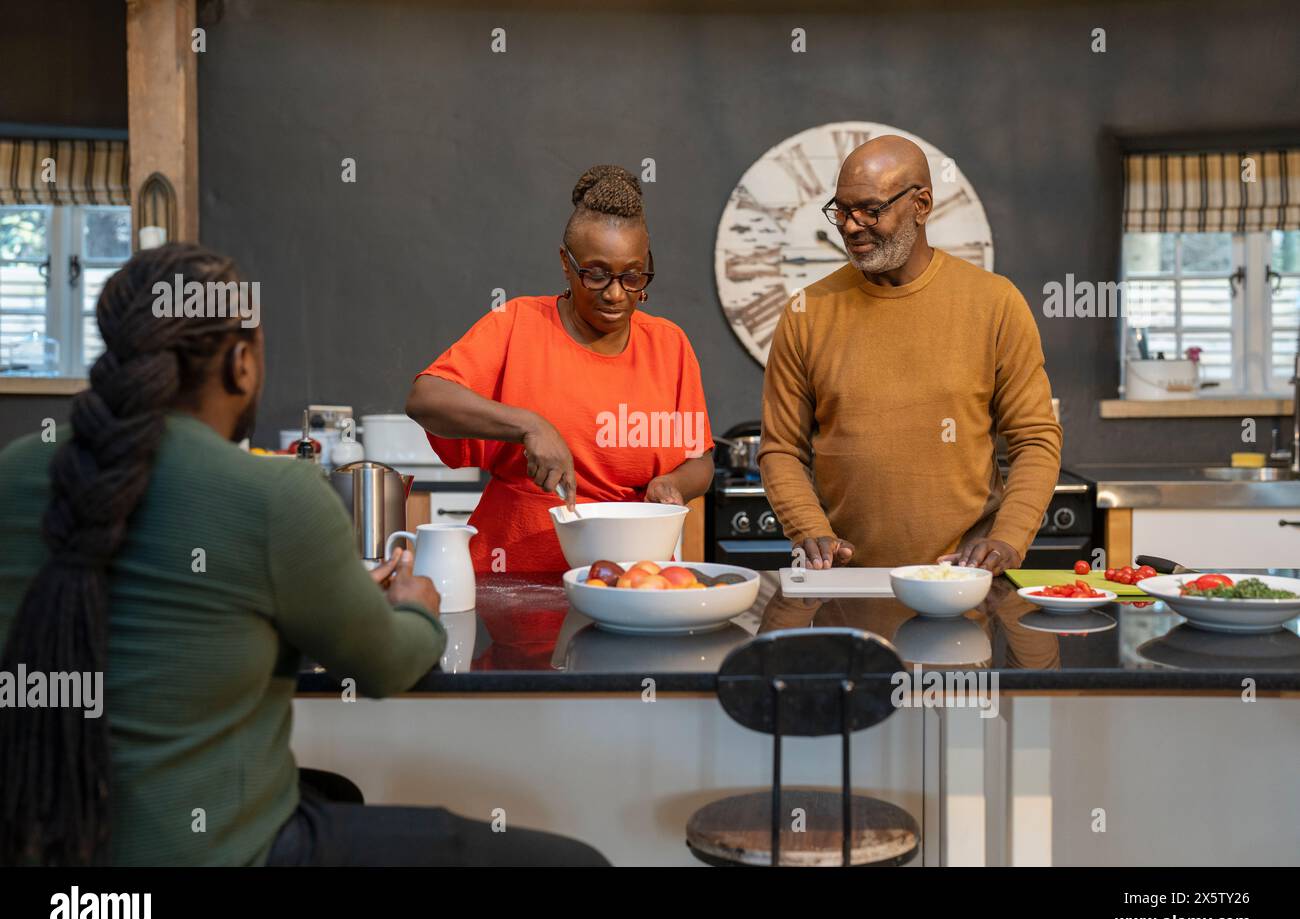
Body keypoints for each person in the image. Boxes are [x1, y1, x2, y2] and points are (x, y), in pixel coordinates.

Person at [0, 243, 607, 866]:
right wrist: (418, 606)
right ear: (241, 363)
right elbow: (385, 665)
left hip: (44, 849)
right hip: (224, 853)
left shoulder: (15, 472)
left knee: (333, 794)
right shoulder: (271, 495)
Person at [760, 136, 1061, 574]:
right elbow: (781, 449)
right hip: (847, 582)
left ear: (921, 204)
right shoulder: (807, 312)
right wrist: (808, 528)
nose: (849, 225)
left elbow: (1035, 438)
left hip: (963, 579)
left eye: (869, 210)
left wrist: (1008, 539)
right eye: (841, 210)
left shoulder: (995, 303)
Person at [406, 165, 714, 573]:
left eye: (632, 275)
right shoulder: (517, 323)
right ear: (566, 264)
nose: (617, 293)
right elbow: (425, 398)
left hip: (632, 576)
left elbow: (701, 460)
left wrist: (672, 484)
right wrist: (529, 425)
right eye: (597, 275)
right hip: (516, 574)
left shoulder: (669, 344)